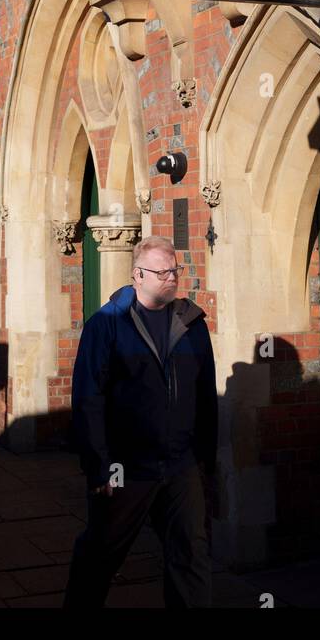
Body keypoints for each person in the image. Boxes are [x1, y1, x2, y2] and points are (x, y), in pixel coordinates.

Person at [64, 234, 218, 609]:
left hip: (181, 464)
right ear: (138, 274)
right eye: (163, 271)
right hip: (126, 466)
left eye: (175, 270)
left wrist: (205, 460)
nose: (172, 277)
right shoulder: (107, 324)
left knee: (191, 555)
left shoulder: (191, 322)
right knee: (102, 552)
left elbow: (205, 394)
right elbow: (89, 397)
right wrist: (98, 466)